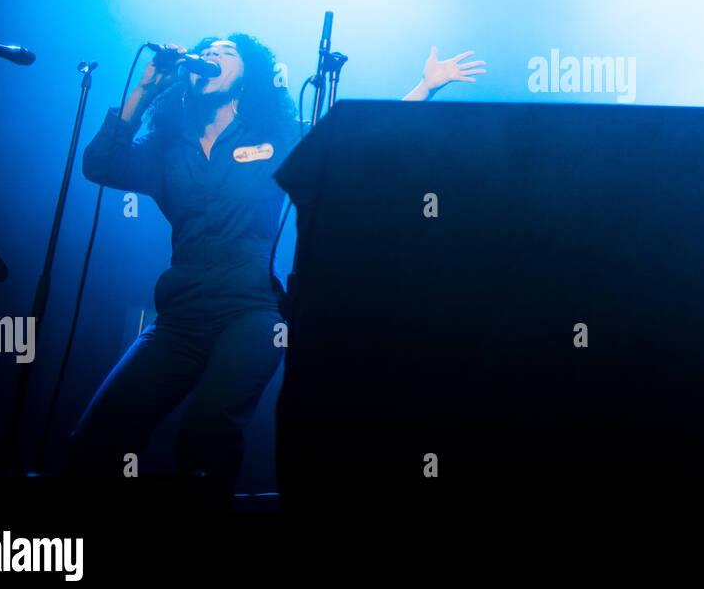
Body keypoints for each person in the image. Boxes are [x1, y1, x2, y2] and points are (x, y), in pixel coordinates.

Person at [68, 34, 485, 505]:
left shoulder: (275, 136)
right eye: (203, 54)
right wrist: (144, 90)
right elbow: (99, 164)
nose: (209, 58)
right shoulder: (166, 146)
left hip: (252, 312)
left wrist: (424, 88)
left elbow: (356, 146)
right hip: (178, 316)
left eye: (225, 53)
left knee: (205, 437)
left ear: (249, 76)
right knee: (97, 437)